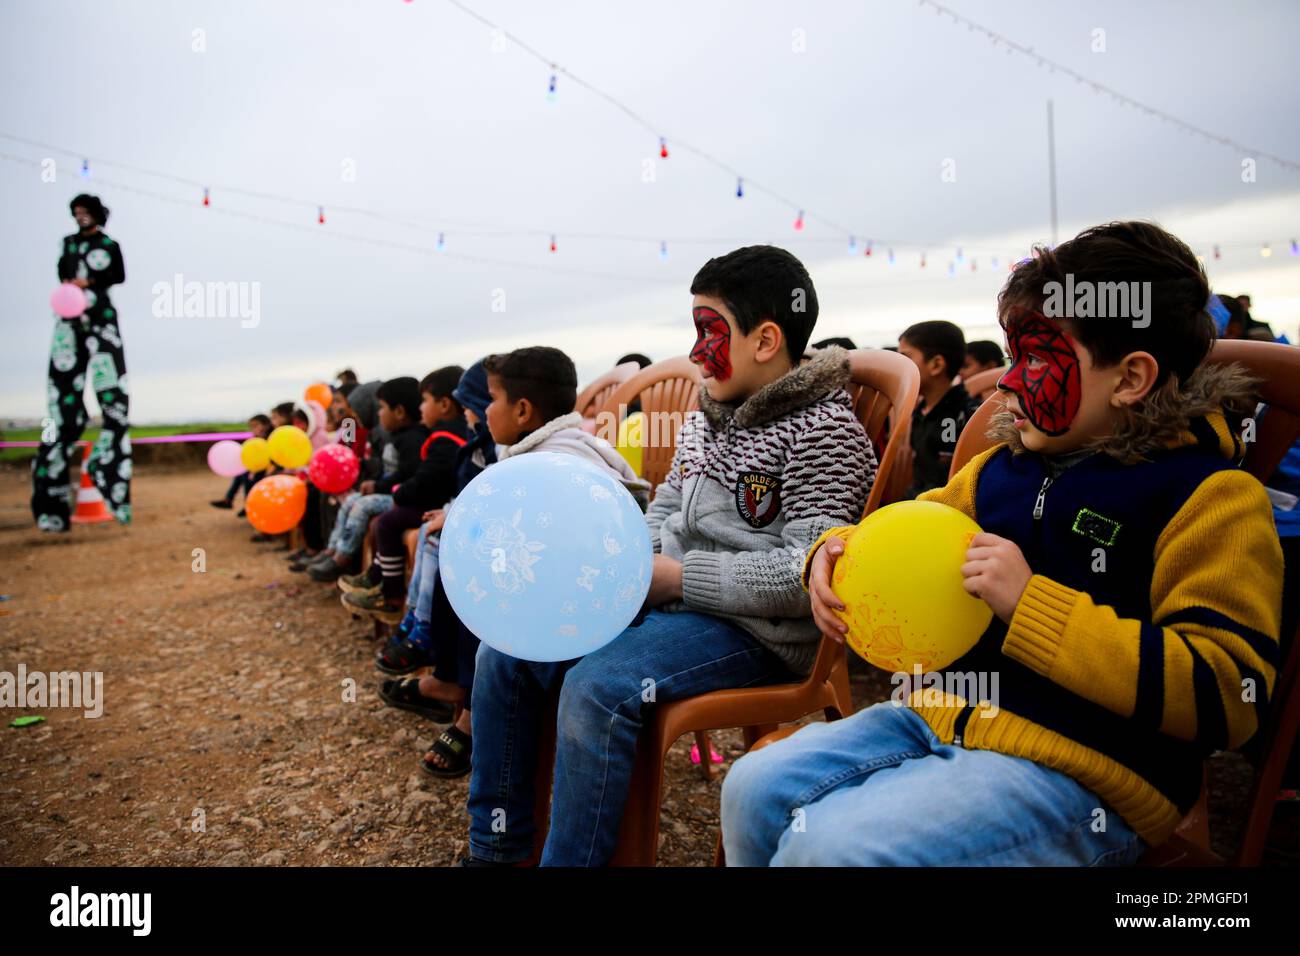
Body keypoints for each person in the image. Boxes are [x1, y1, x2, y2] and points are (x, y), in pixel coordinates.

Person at [720, 221, 1283, 866]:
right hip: (938, 717)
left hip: (1084, 771)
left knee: (836, 848)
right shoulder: (997, 471)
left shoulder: (1206, 498)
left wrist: (1032, 605)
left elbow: (1227, 693)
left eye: (1039, 360)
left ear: (1130, 379)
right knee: (753, 789)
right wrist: (837, 553)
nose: (1009, 384)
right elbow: (901, 530)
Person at [462, 247, 875, 866]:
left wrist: (676, 577)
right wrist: (629, 571)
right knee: (509, 649)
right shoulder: (707, 420)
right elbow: (662, 511)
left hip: (760, 632)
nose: (698, 349)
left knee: (598, 686)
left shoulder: (827, 432)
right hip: (672, 603)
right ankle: (496, 849)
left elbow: (806, 574)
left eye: (710, 330)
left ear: (765, 339)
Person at [32, 194, 131, 531]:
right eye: (76, 213)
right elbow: (61, 271)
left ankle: (115, 489)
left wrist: (91, 283)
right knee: (63, 407)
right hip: (68, 318)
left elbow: (118, 275)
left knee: (114, 398)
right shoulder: (68, 244)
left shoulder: (109, 244)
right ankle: (51, 506)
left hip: (101, 317)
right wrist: (71, 286)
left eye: (84, 212)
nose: (80, 217)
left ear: (96, 214)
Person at [340, 366, 468, 619]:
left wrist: (392, 489)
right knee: (373, 517)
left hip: (433, 503)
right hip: (430, 500)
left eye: (425, 401)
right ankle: (353, 564)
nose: (345, 411)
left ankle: (385, 591)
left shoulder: (434, 437)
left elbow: (420, 476)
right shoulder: (374, 430)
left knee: (383, 521)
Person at [306, 377, 427, 582]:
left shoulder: (356, 425)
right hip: (364, 481)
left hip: (375, 485)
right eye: (335, 402)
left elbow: (355, 452)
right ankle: (329, 549)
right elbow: (349, 450)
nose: (338, 407)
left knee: (343, 502)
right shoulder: (352, 424)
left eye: (339, 402)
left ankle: (340, 560)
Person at [897, 320, 980, 497]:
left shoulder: (968, 416)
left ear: (936, 365)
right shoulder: (920, 411)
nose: (900, 367)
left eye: (906, 358)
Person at [211, 414, 271, 512]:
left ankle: (246, 504)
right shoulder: (254, 440)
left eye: (256, 425)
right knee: (242, 474)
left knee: (246, 477)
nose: (253, 429)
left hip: (264, 470)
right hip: (256, 469)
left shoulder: (269, 439)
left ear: (266, 425)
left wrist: (253, 471)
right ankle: (240, 502)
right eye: (252, 427)